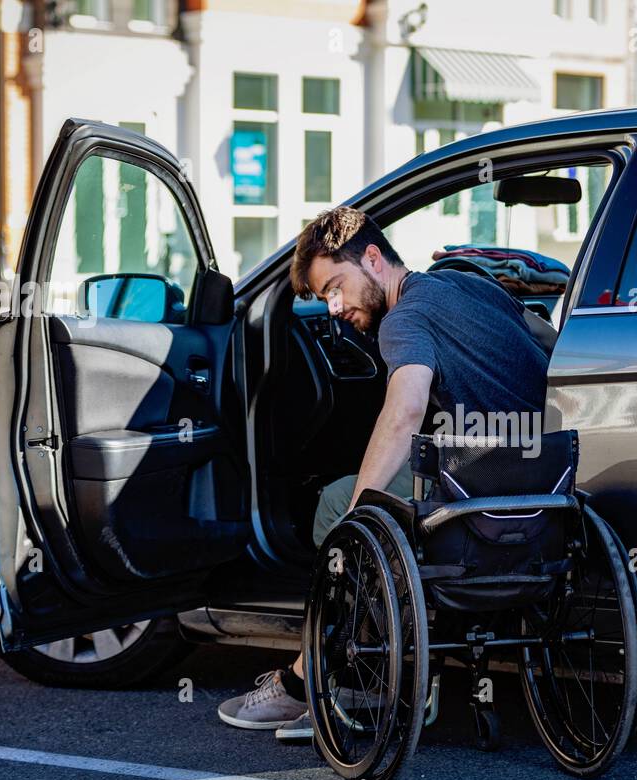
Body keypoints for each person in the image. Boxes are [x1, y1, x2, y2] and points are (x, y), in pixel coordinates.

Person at [218, 206, 550, 740]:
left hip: (470, 496)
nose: (335, 307)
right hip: (541, 485)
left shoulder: (404, 320)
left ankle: (333, 682)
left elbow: (405, 412)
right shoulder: (473, 286)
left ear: (373, 258)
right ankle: (355, 670)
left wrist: (357, 512)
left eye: (336, 287)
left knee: (338, 504)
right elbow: (543, 342)